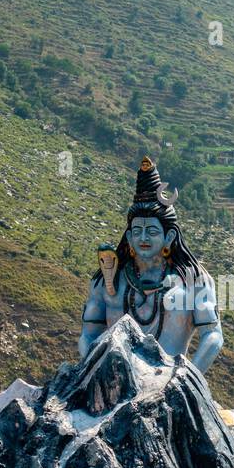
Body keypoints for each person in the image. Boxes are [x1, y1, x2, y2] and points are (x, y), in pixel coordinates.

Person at [79, 157, 223, 372]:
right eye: (137, 231)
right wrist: (99, 371)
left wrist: (187, 377)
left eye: (152, 231)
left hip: (170, 381)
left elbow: (213, 336)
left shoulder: (194, 279)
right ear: (128, 236)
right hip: (116, 381)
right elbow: (89, 334)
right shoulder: (108, 279)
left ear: (169, 236)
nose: (143, 238)